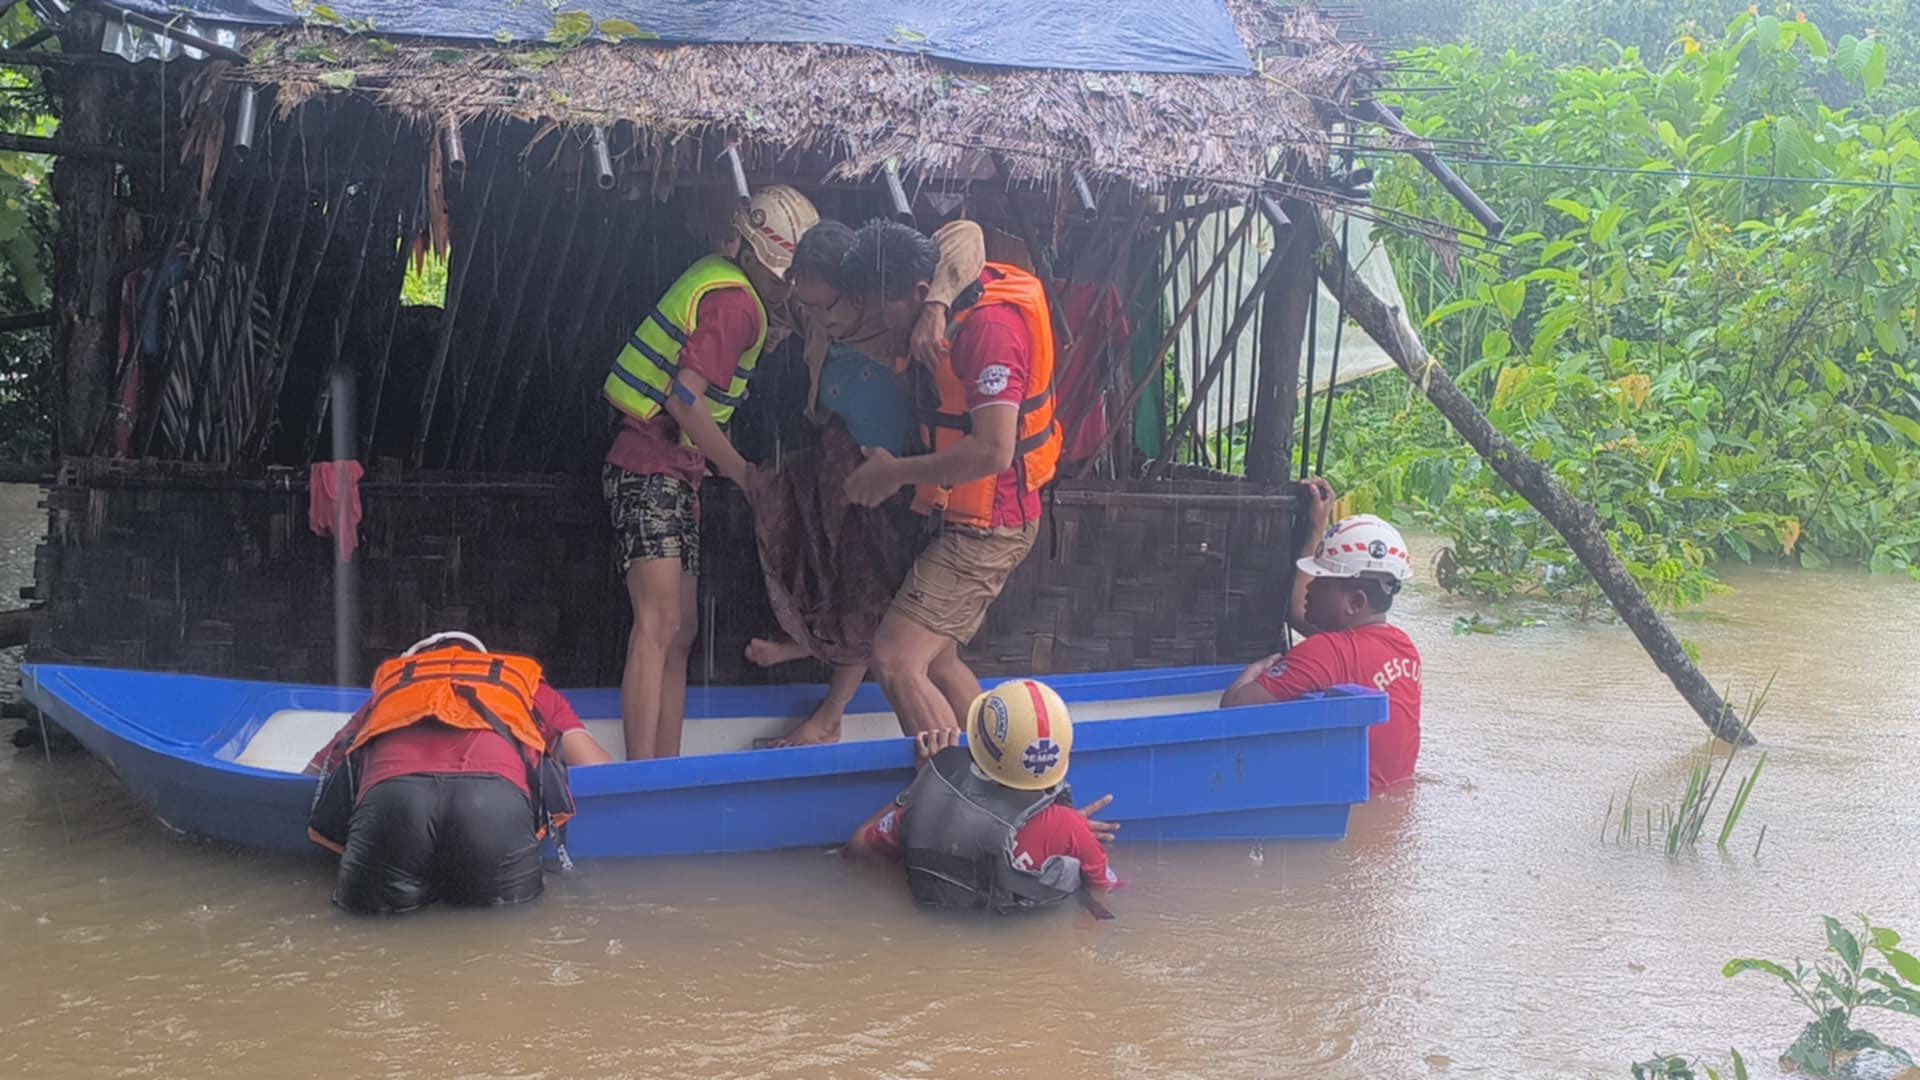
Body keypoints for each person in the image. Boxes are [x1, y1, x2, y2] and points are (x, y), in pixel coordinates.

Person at [744, 218, 989, 748]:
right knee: (885, 621)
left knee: (907, 640)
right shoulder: (821, 322)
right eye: (806, 307)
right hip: (852, 477)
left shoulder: (900, 321)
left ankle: (990, 765)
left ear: (859, 295)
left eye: (825, 307)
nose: (815, 318)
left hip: (904, 492)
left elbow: (966, 235)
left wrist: (937, 305)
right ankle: (996, 762)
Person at [601, 185, 819, 760]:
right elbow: (683, 399)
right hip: (649, 465)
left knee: (682, 627)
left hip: (674, 472)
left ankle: (664, 766)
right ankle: (640, 776)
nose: (786, 288)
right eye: (783, 276)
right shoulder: (738, 305)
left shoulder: (724, 282)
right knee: (658, 623)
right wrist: (744, 473)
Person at [841, 220, 1063, 736]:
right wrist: (935, 307)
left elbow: (993, 451)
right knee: (938, 663)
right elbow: (965, 229)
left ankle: (956, 791)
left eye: (883, 311)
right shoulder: (945, 292)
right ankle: (1018, 778)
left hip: (993, 524)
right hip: (968, 514)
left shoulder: (990, 331)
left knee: (896, 659)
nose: (878, 324)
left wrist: (895, 474)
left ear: (917, 292)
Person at [306, 632, 614, 914]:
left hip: (392, 802)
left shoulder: (396, 685)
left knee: (366, 942)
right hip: (494, 807)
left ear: (414, 661)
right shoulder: (523, 683)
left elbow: (316, 772)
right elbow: (595, 766)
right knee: (511, 940)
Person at [843, 679, 1119, 912]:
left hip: (939, 932)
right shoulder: (1069, 829)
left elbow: (855, 849)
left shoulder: (928, 808)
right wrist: (1069, 827)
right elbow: (1104, 893)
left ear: (978, 745)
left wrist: (921, 787)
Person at [1219, 478, 1423, 793]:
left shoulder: (1326, 651)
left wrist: (1253, 673)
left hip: (1349, 810)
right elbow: (1299, 613)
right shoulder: (1404, 648)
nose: (1311, 587)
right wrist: (1318, 527)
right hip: (1392, 805)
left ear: (1355, 603)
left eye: (1322, 581)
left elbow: (1233, 711)